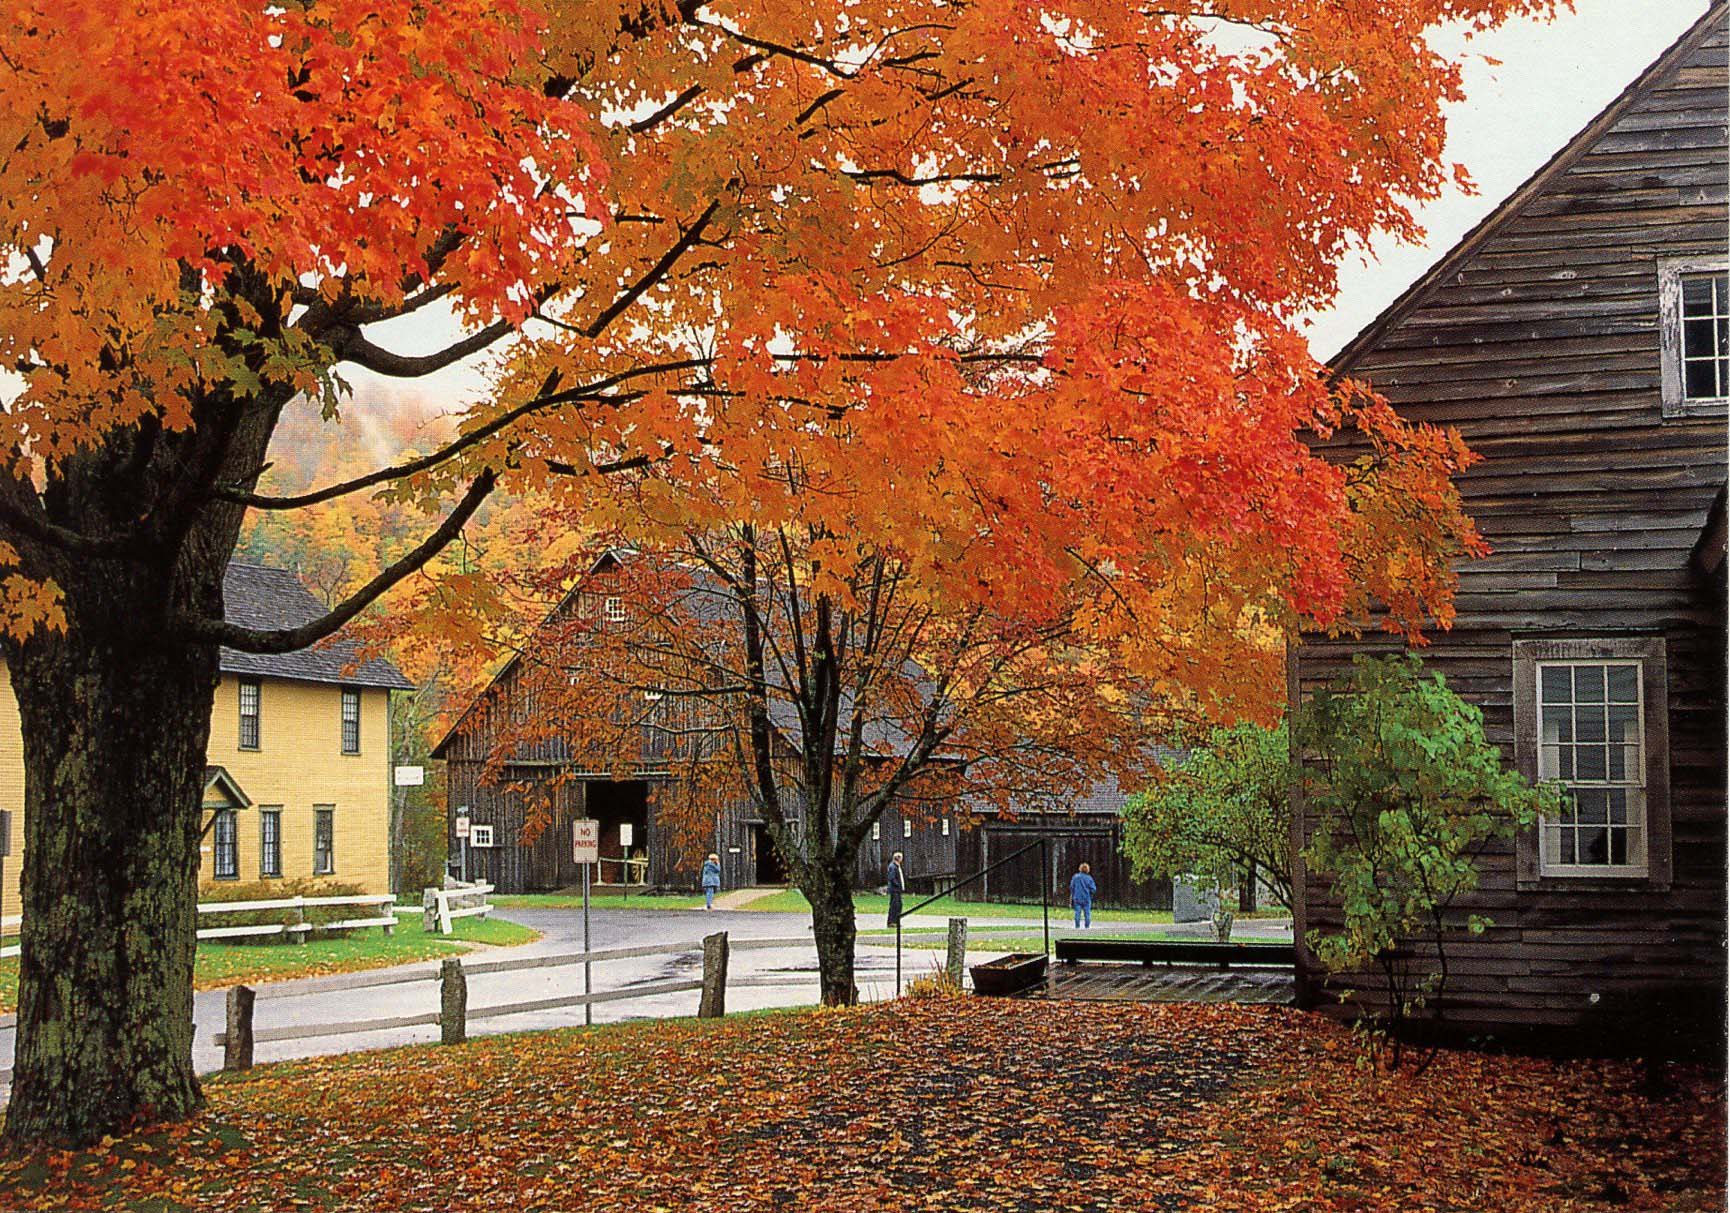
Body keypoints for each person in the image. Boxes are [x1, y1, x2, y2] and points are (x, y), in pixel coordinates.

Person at [1069, 862, 1097, 929]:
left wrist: (1073, 894)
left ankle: (1077, 926)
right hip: (1086, 898)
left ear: (1080, 869)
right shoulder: (1089, 878)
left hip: (1077, 897)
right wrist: (1090, 894)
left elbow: (1071, 887)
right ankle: (1087, 927)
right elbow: (1093, 889)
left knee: (1077, 913)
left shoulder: (1075, 877)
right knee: (1087, 913)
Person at [886, 851, 906, 927]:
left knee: (899, 906)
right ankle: (891, 922)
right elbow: (892, 878)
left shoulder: (897, 866)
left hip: (897, 890)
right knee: (894, 906)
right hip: (895, 890)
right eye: (901, 858)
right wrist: (898, 885)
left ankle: (896, 921)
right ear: (898, 858)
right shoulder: (892, 866)